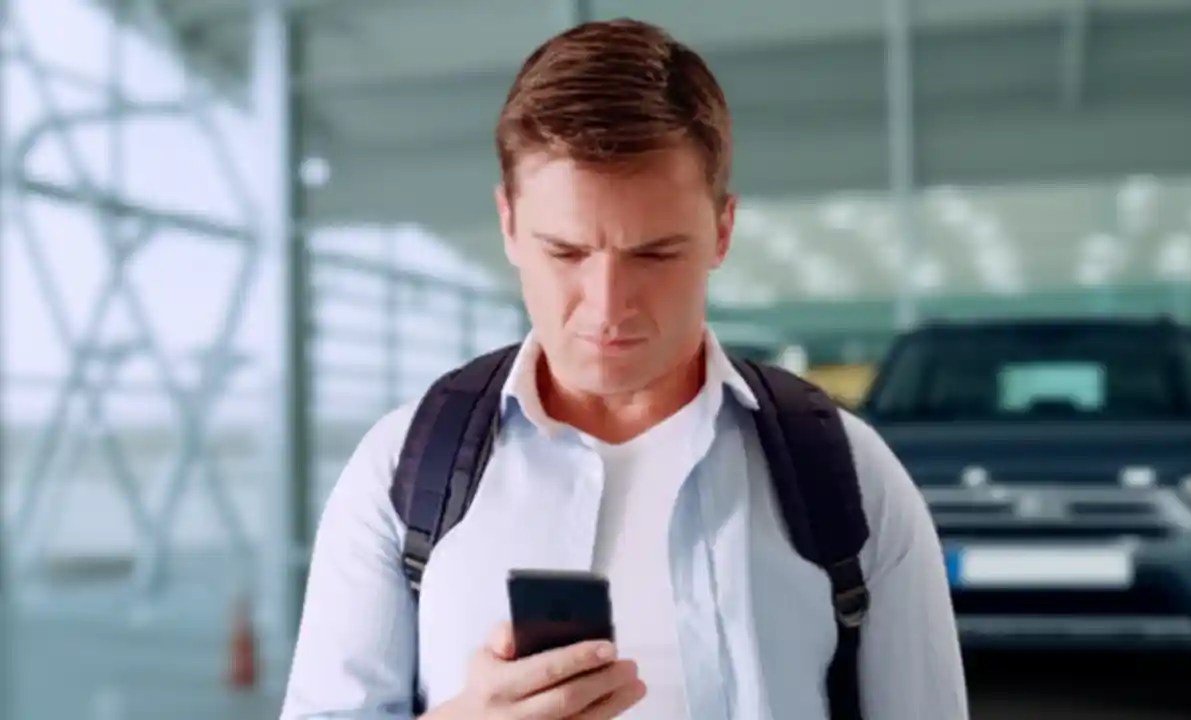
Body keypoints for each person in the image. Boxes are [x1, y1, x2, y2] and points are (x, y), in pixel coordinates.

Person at [280, 18, 967, 720]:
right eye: (566, 252)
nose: (608, 307)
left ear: (722, 231)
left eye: (655, 254)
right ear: (509, 225)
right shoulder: (403, 469)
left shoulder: (848, 475)